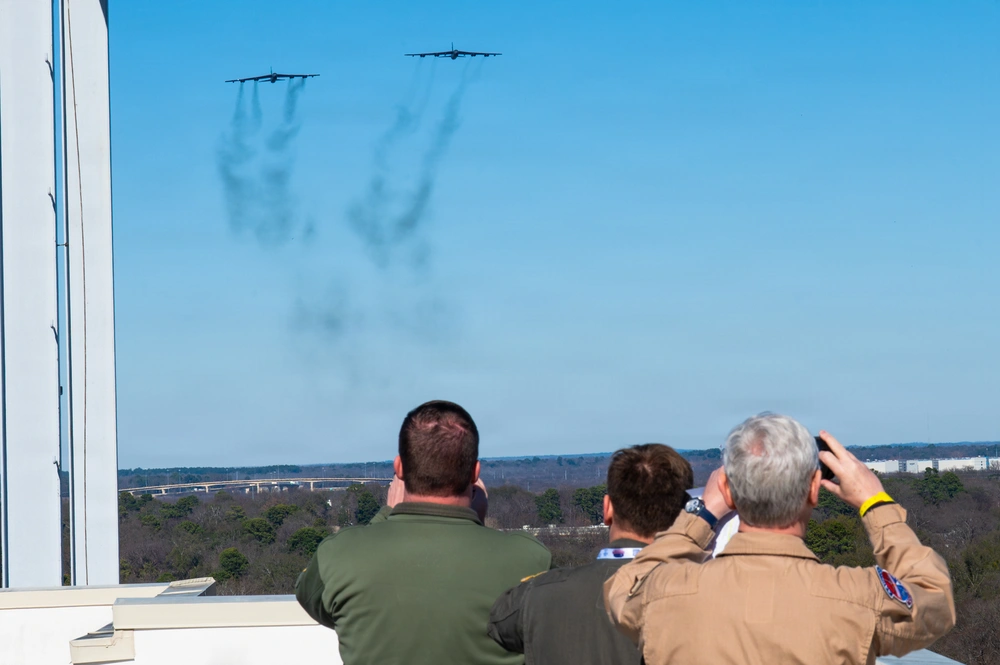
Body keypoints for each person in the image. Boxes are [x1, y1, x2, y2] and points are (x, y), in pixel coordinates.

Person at [604, 413, 956, 665]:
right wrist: (876, 504)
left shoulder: (665, 595)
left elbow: (625, 586)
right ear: (814, 489)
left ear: (728, 489)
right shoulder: (858, 599)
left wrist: (705, 512)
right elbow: (936, 599)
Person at [296, 400, 551, 665]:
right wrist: (476, 524)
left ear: (399, 468)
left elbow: (320, 603)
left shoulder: (338, 554)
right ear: (475, 472)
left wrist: (384, 517)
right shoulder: (531, 560)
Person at [489, 443, 693, 665]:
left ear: (607, 509)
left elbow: (497, 624)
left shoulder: (539, 595)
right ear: (683, 515)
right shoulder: (699, 597)